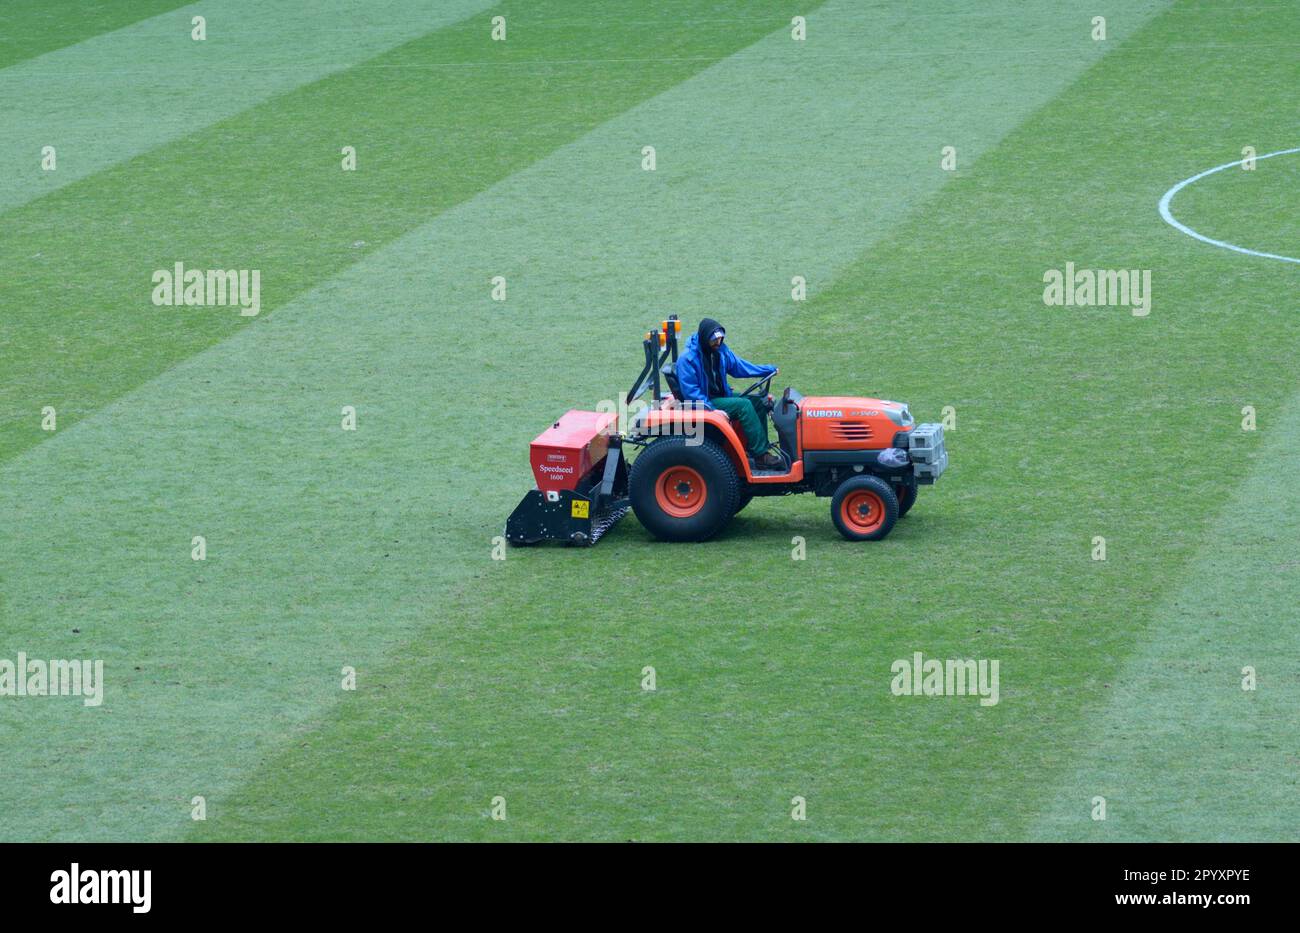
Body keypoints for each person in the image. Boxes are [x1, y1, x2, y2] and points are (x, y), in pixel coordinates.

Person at [675, 318, 784, 469]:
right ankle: (761, 455)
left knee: (757, 402)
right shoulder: (687, 359)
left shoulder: (720, 350)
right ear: (705, 337)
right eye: (714, 340)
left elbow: (740, 368)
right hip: (707, 402)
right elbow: (691, 393)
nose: (718, 343)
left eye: (720, 339)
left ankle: (757, 450)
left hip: (720, 396)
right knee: (743, 405)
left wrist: (767, 370)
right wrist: (712, 410)